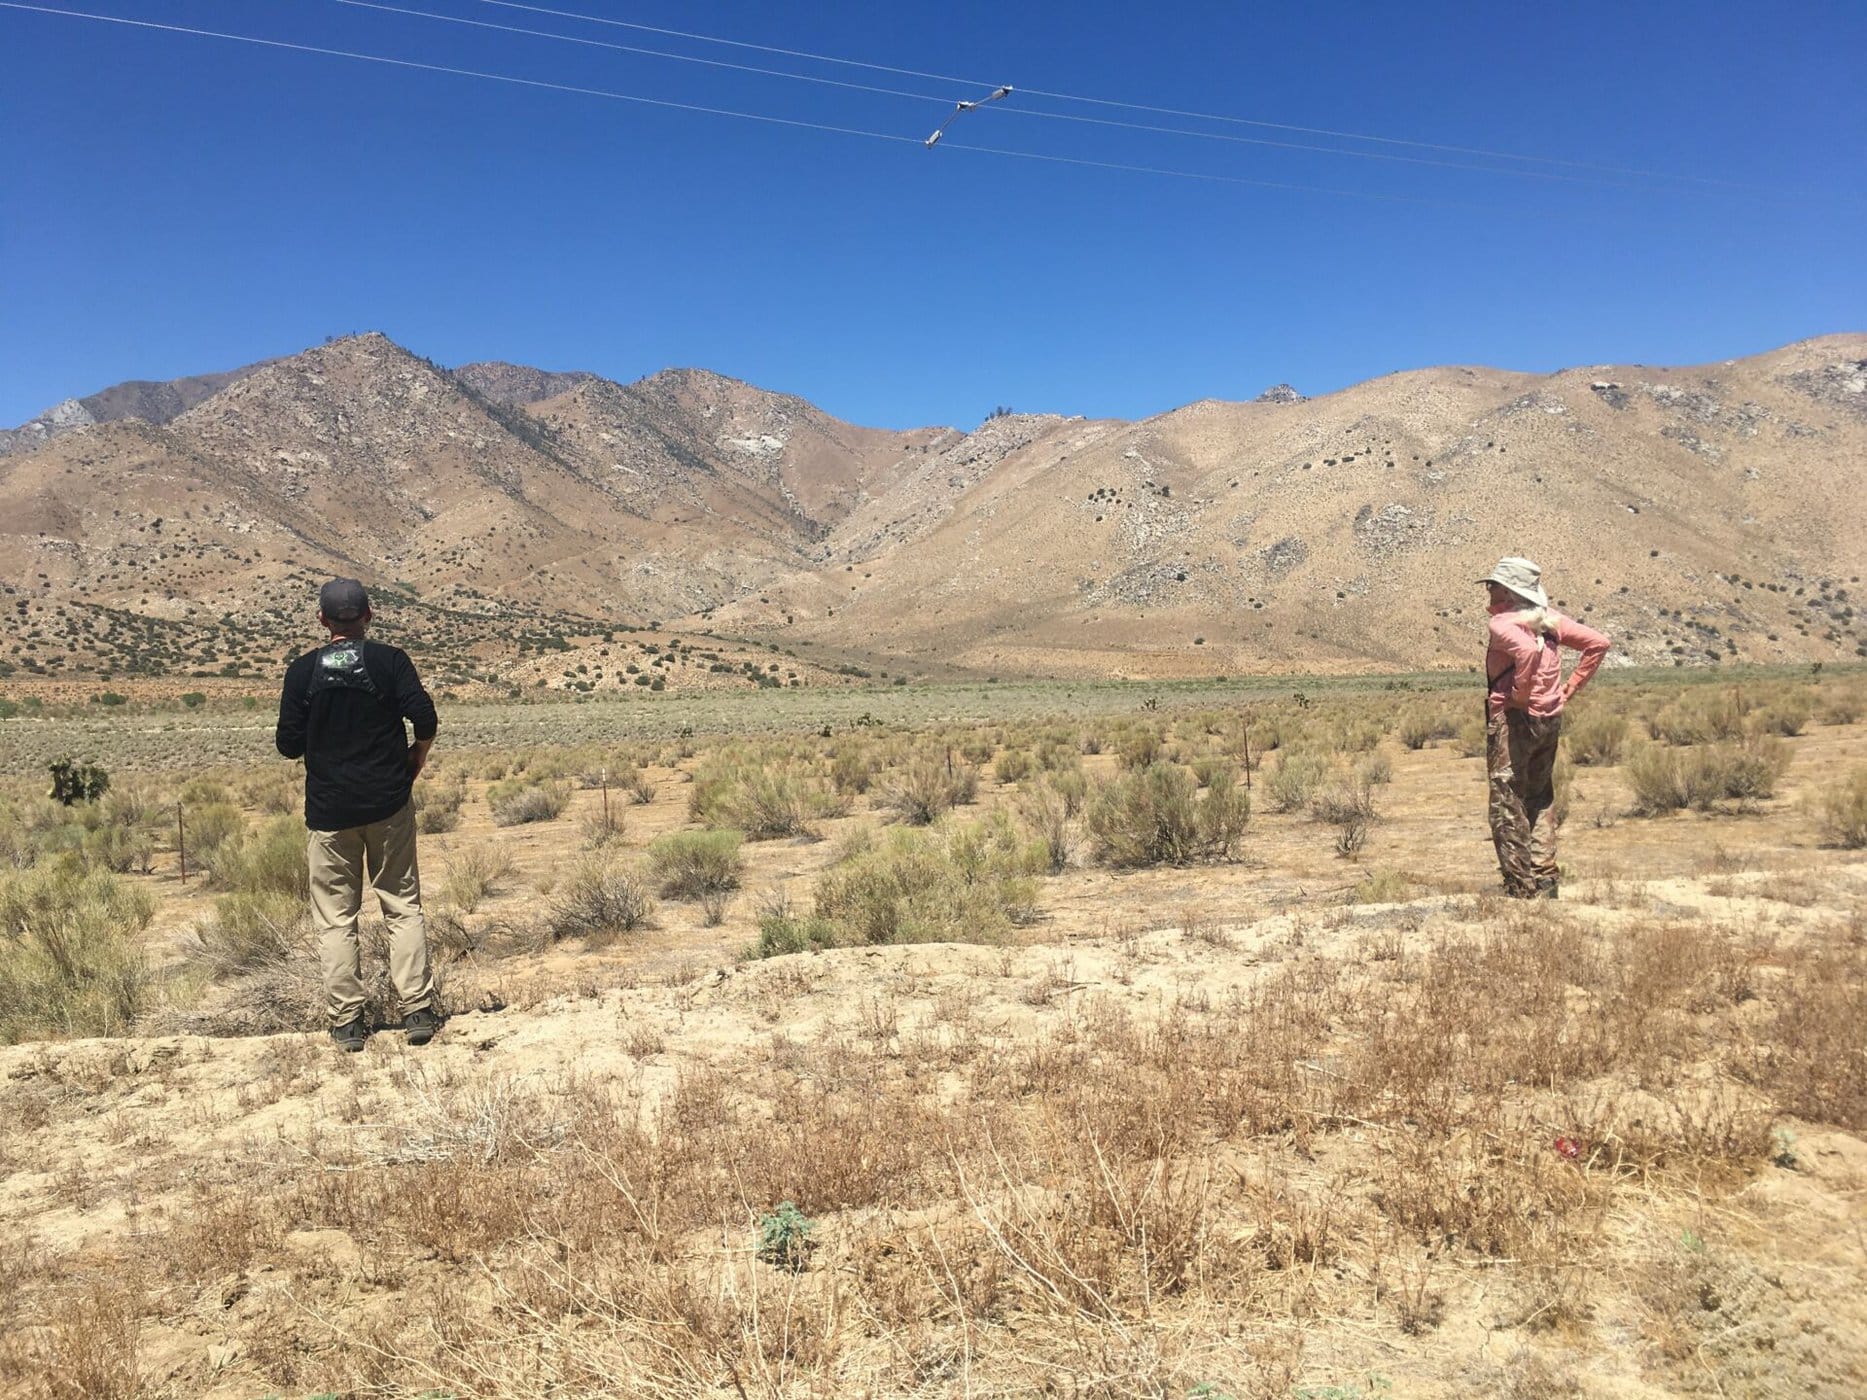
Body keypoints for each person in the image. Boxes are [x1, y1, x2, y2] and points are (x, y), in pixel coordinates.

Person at [276, 578, 440, 1051]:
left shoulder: (303, 671)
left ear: (323, 621)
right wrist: (416, 758)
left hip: (329, 812)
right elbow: (425, 720)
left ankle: (348, 1023)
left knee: (335, 919)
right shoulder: (391, 662)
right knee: (402, 905)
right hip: (388, 802)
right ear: (369, 615)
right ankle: (418, 1012)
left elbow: (287, 744)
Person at [1479, 557, 1610, 899]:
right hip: (1549, 719)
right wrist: (1571, 687)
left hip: (1514, 721)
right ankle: (1545, 880)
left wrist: (1519, 695)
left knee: (1508, 802)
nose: (1489, 590)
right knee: (1539, 795)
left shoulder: (1504, 624)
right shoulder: (1550, 621)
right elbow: (1598, 643)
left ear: (1508, 590)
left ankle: (1519, 888)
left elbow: (1524, 652)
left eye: (1493, 585)